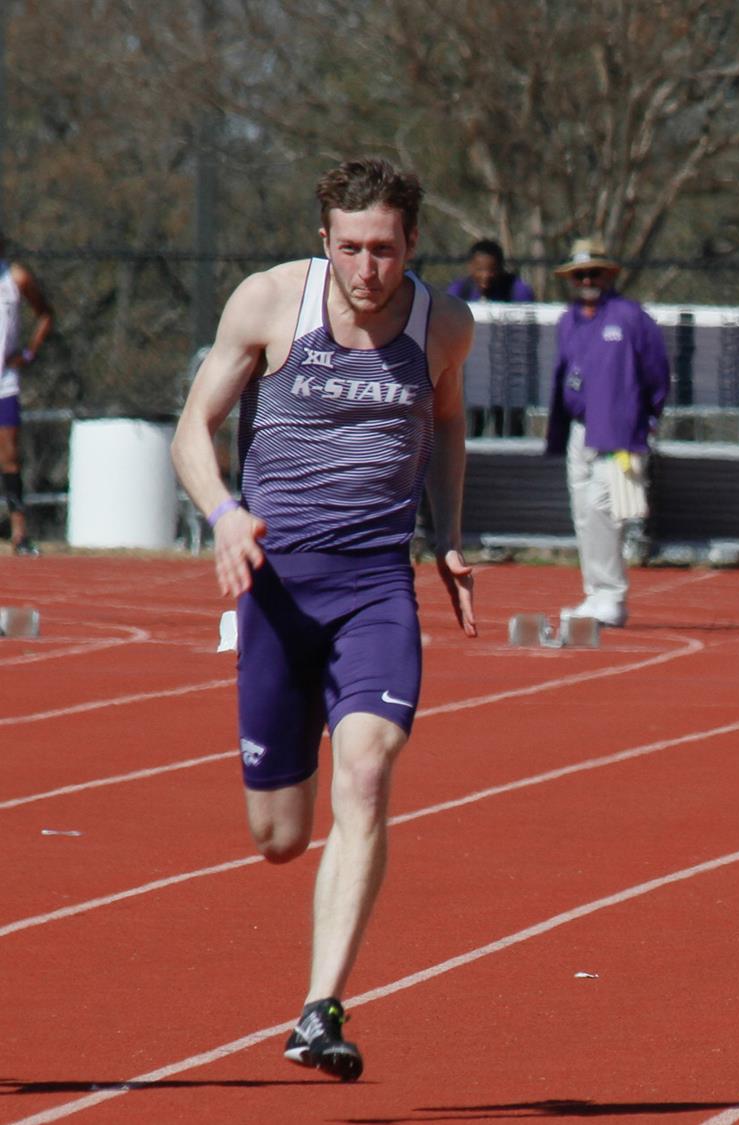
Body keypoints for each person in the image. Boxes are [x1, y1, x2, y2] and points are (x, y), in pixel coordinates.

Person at [169, 158, 477, 1081]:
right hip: (275, 584)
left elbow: (450, 422)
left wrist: (449, 534)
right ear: (325, 242)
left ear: (412, 244)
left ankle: (320, 1006)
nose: (368, 268)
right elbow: (191, 430)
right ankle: (290, 822)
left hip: (376, 586)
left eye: (384, 249)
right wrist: (225, 516)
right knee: (279, 837)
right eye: (351, 248)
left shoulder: (444, 324)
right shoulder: (269, 303)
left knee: (371, 772)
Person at [542, 238, 670, 628]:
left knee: (604, 510)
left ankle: (611, 595)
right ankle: (595, 592)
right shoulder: (568, 319)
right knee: (583, 513)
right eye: (580, 274)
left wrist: (646, 418)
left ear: (609, 275)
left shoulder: (631, 317)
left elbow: (657, 373)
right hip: (578, 431)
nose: (587, 280)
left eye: (594, 273)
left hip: (618, 431)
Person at [0, 234, 56, 555]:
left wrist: (28, 354)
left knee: (10, 455)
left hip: (5, 381)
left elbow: (45, 314)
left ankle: (19, 534)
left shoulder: (15, 278)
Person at [444, 239, 536, 303]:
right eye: (480, 269)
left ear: (501, 268)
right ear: (471, 267)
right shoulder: (459, 291)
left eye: (492, 270)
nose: (486, 275)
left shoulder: (516, 290)